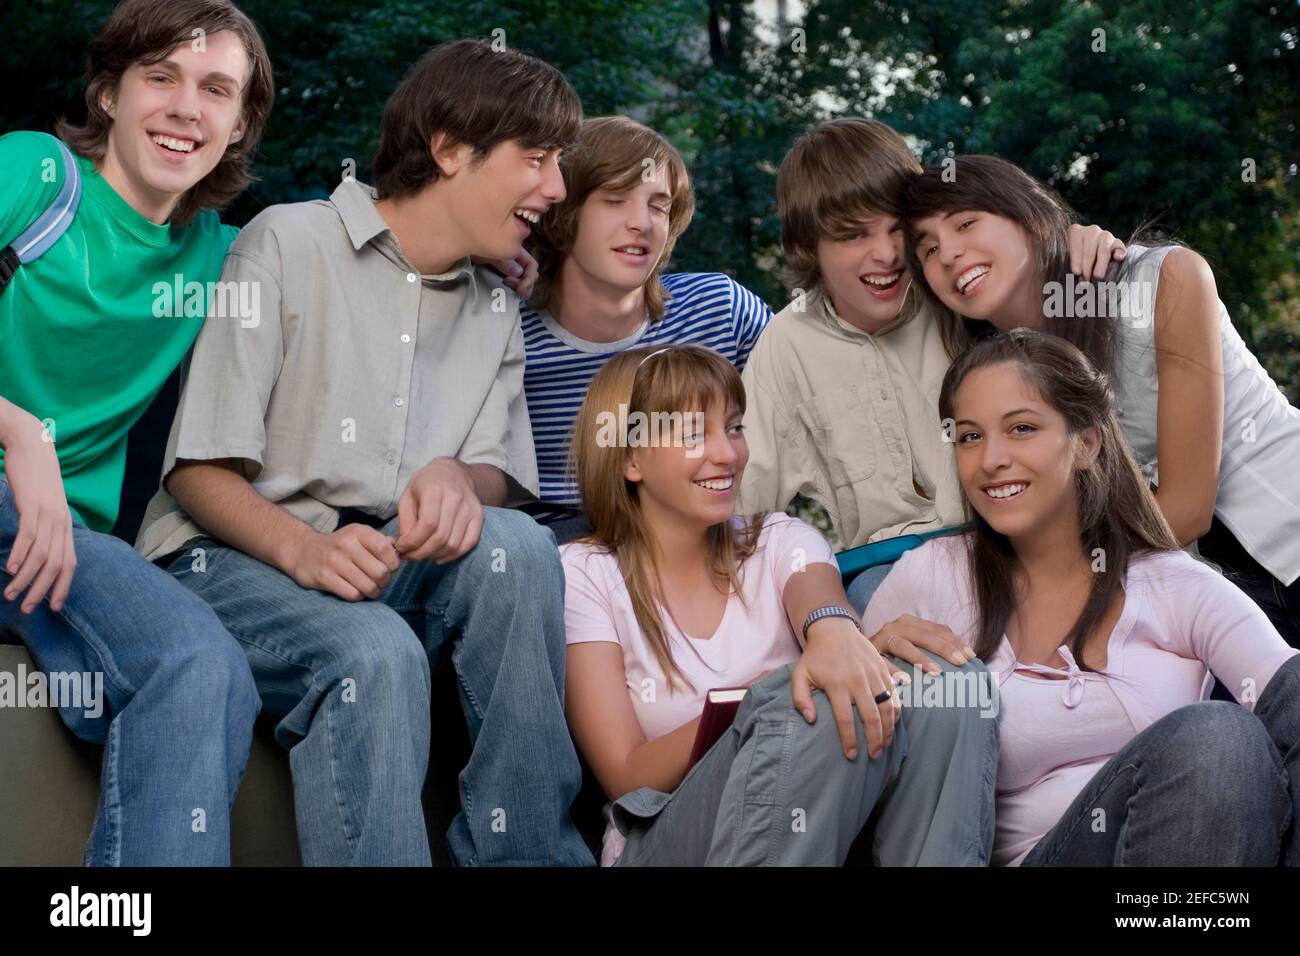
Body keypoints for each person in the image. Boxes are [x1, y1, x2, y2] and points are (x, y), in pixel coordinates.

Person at [135, 38, 594, 866]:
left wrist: (458, 475)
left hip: (383, 566)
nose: (556, 188)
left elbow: (496, 472)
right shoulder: (284, 243)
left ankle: (524, 854)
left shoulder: (495, 303)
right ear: (451, 148)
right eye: (538, 158)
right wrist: (306, 550)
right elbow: (199, 472)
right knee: (372, 651)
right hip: (231, 563)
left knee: (522, 547)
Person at [0, 0, 273, 865]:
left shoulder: (216, 257)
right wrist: (20, 434)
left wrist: (502, 263)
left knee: (199, 665)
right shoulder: (36, 175)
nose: (187, 106)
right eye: (161, 77)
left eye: (217, 90)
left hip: (49, 546)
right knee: (192, 660)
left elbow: (371, 263)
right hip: (19, 500)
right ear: (110, 94)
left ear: (237, 127)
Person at [862, 328, 1300, 865]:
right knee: (1218, 738)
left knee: (1222, 741)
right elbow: (850, 759)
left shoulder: (1170, 584)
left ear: (1086, 443)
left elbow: (1290, 704)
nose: (991, 459)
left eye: (1021, 428)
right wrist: (869, 661)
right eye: (970, 437)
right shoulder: (930, 575)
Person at [561, 344, 996, 866]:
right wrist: (759, 702)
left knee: (946, 684)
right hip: (665, 838)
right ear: (630, 458)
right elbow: (626, 773)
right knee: (806, 703)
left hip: (808, 825)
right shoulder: (584, 573)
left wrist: (841, 639)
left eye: (735, 427)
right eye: (695, 434)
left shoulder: (778, 539)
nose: (727, 454)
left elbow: (818, 598)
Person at [905, 153, 1300, 647]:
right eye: (928, 250)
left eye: (966, 223)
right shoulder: (993, 379)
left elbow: (1186, 508)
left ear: (1029, 214)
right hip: (1204, 599)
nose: (948, 254)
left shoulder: (1162, 279)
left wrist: (1052, 585)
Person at [737, 118, 1126, 613]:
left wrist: (1073, 245)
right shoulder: (785, 346)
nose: (886, 255)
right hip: (885, 571)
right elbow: (741, 508)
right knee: (898, 625)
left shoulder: (955, 292)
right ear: (809, 247)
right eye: (854, 236)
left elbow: (1029, 282)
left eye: (899, 230)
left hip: (1008, 543)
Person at [522, 115, 769, 532]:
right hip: (563, 558)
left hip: (701, 541)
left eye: (658, 205)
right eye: (615, 199)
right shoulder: (507, 332)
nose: (641, 222)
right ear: (564, 210)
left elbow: (812, 386)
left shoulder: (720, 310)